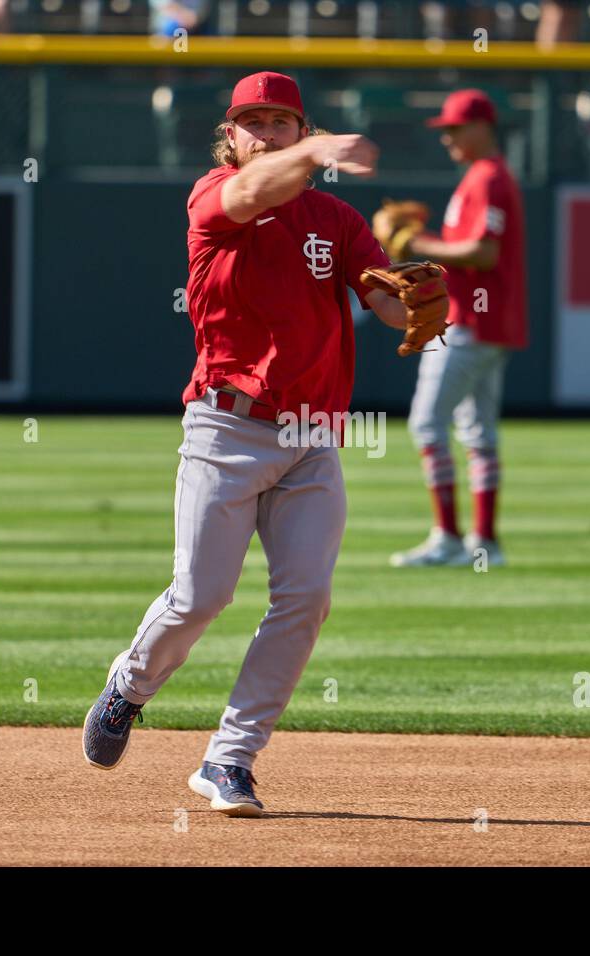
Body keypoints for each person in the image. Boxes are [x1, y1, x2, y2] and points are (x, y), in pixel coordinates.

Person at [81, 71, 437, 817]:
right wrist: (319, 149)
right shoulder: (215, 197)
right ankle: (130, 686)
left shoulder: (334, 217)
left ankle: (229, 759)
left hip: (312, 436)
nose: (267, 133)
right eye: (255, 122)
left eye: (283, 121)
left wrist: (414, 308)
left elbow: (376, 293)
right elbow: (254, 192)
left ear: (298, 129)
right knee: (200, 597)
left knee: (305, 600)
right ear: (232, 137)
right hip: (225, 426)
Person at [382, 89, 528, 568]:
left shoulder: (488, 178)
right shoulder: (482, 177)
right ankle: (485, 544)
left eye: (454, 129)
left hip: (470, 322)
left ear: (482, 127)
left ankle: (447, 536)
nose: (447, 138)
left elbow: (484, 253)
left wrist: (418, 244)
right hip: (484, 322)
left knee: (427, 421)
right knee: (478, 432)